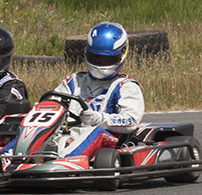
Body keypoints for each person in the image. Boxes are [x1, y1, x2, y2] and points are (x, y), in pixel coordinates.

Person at [48, 21, 145, 158]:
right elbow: (53, 104)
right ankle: (18, 156)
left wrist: (100, 118)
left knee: (94, 133)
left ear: (121, 55)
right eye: (95, 57)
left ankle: (63, 161)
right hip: (69, 133)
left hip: (104, 136)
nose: (100, 62)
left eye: (107, 59)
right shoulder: (73, 81)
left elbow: (131, 121)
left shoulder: (126, 86)